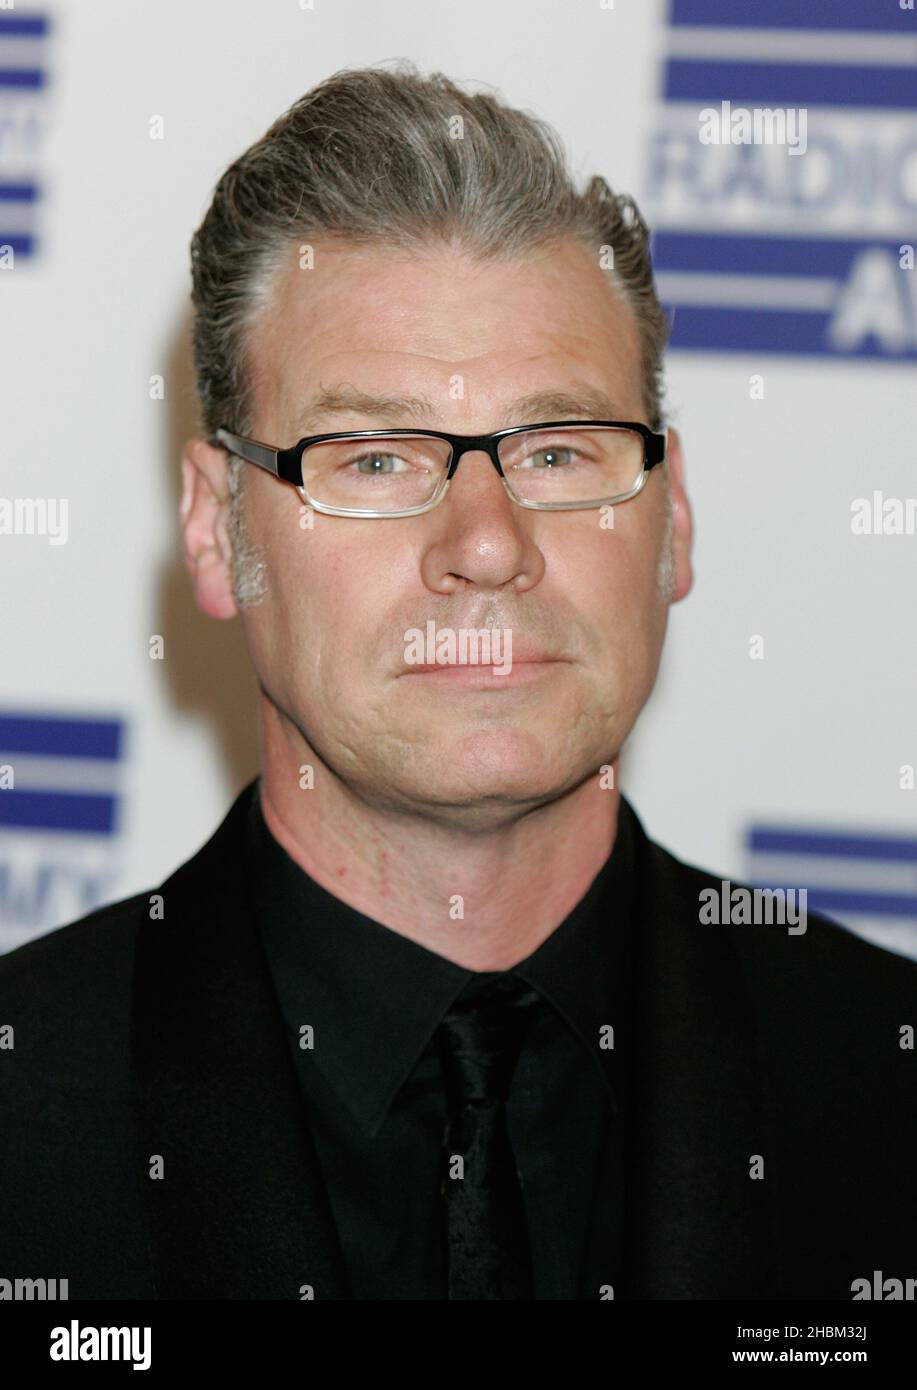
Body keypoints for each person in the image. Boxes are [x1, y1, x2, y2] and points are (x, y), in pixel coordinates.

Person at [1, 62, 914, 1302]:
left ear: (673, 518)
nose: (486, 543)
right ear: (219, 532)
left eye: (555, 450)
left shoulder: (883, 1079)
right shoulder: (26, 1107)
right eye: (371, 457)